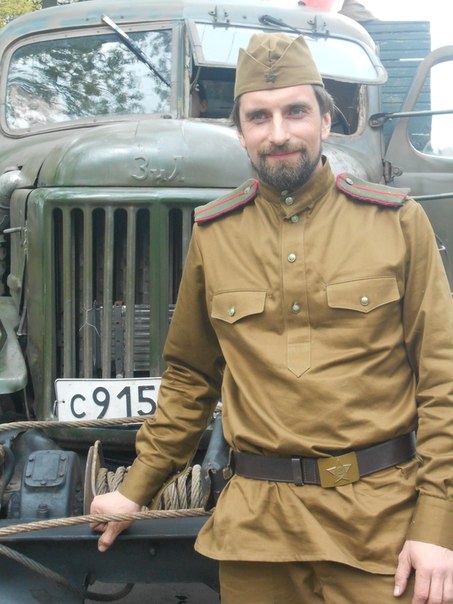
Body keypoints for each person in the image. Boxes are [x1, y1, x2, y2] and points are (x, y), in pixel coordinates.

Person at [90, 33, 453, 603]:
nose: (278, 133)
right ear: (241, 131)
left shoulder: (397, 222)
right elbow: (191, 376)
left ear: (326, 121)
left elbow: (442, 378)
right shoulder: (216, 234)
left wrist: (436, 523)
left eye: (295, 112)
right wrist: (136, 487)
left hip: (380, 527)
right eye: (258, 116)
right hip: (258, 534)